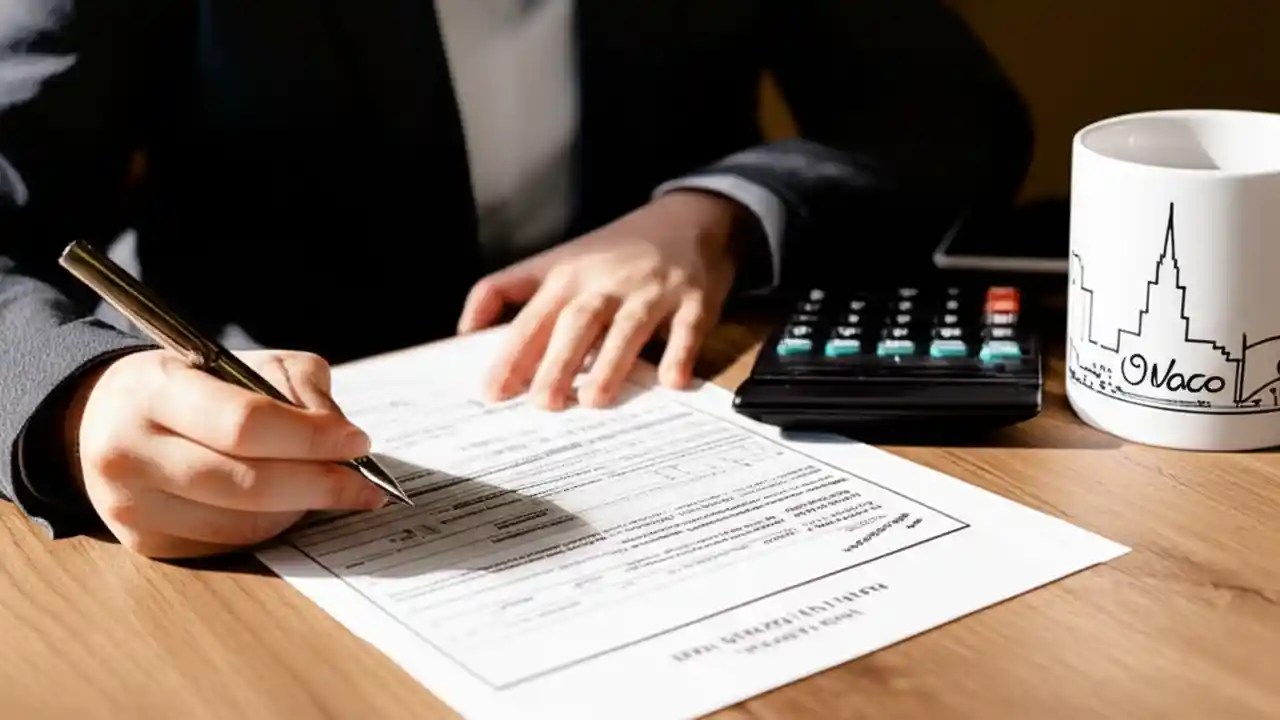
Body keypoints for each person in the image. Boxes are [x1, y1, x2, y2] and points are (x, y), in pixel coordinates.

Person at [0, 0, 1033, 558]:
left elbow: (949, 114)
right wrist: (79, 399)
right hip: (267, 463)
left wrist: (714, 214)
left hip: (667, 410)